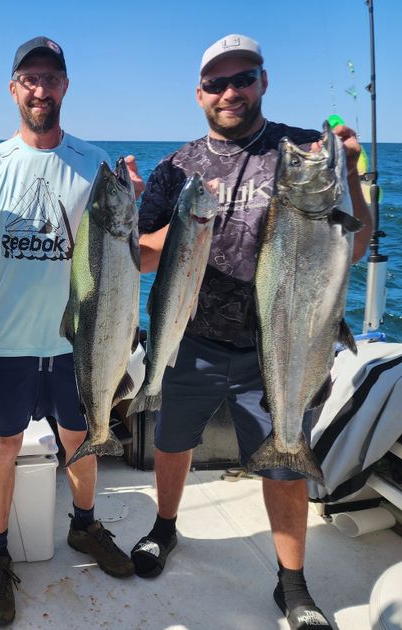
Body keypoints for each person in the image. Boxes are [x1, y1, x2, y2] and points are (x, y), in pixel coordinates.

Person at [133, 35, 373, 629]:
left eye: (243, 78)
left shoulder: (300, 150)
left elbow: (355, 245)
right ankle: (165, 528)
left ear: (264, 82)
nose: (230, 92)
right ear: (199, 94)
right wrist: (189, 228)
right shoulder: (177, 165)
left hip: (281, 344)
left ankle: (292, 583)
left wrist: (355, 177)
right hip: (192, 335)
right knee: (170, 440)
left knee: (284, 462)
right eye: (216, 83)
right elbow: (137, 255)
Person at [0, 36, 143, 627]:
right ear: (14, 89)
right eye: (30, 79)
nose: (41, 89)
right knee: (5, 449)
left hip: (78, 341)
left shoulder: (95, 164)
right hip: (7, 342)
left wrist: (136, 205)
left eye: (51, 78)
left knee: (81, 439)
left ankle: (86, 528)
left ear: (65, 86)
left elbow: (117, 253)